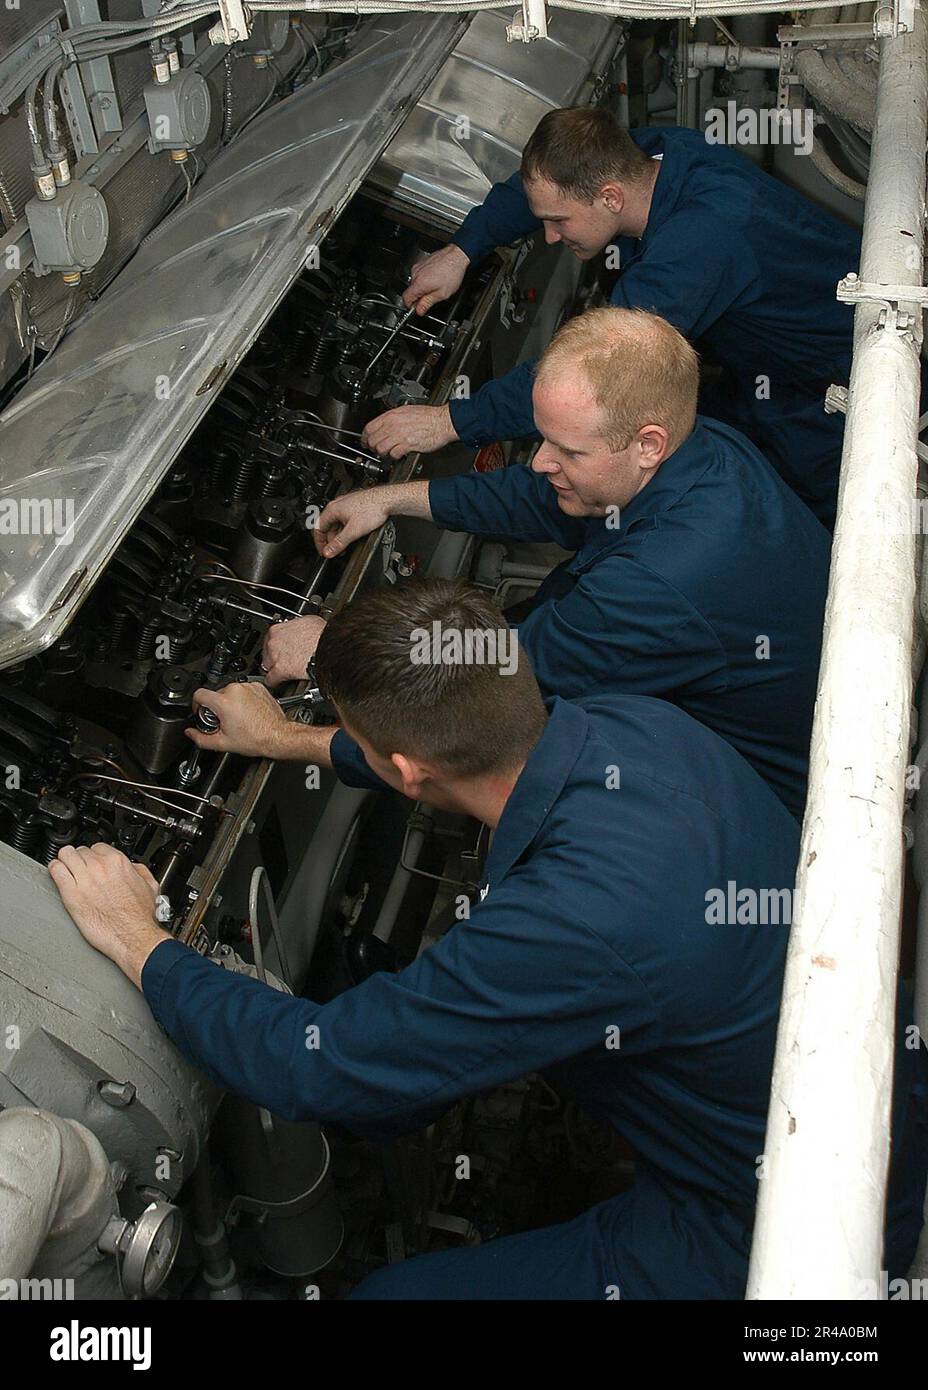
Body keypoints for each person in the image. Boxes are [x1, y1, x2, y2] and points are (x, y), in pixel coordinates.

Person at [49, 581, 927, 1300]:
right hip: (865, 1103)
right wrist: (285, 738)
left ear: (408, 770)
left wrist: (139, 941)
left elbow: (318, 1066)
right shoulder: (629, 725)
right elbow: (452, 754)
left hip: (784, 1224)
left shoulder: (575, 923)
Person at [263, 308, 831, 821]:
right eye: (543, 439)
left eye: (569, 451)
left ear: (647, 444)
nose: (540, 462)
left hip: (763, 805)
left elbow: (481, 694)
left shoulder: (660, 581)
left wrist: (324, 666)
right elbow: (547, 499)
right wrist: (393, 498)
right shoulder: (698, 445)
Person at [362, 105, 864, 528]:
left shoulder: (698, 245)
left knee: (796, 514)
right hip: (758, 369)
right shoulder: (656, 155)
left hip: (830, 391)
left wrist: (451, 420)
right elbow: (539, 184)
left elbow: (596, 372)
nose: (552, 237)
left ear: (609, 198)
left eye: (559, 223)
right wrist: (463, 250)